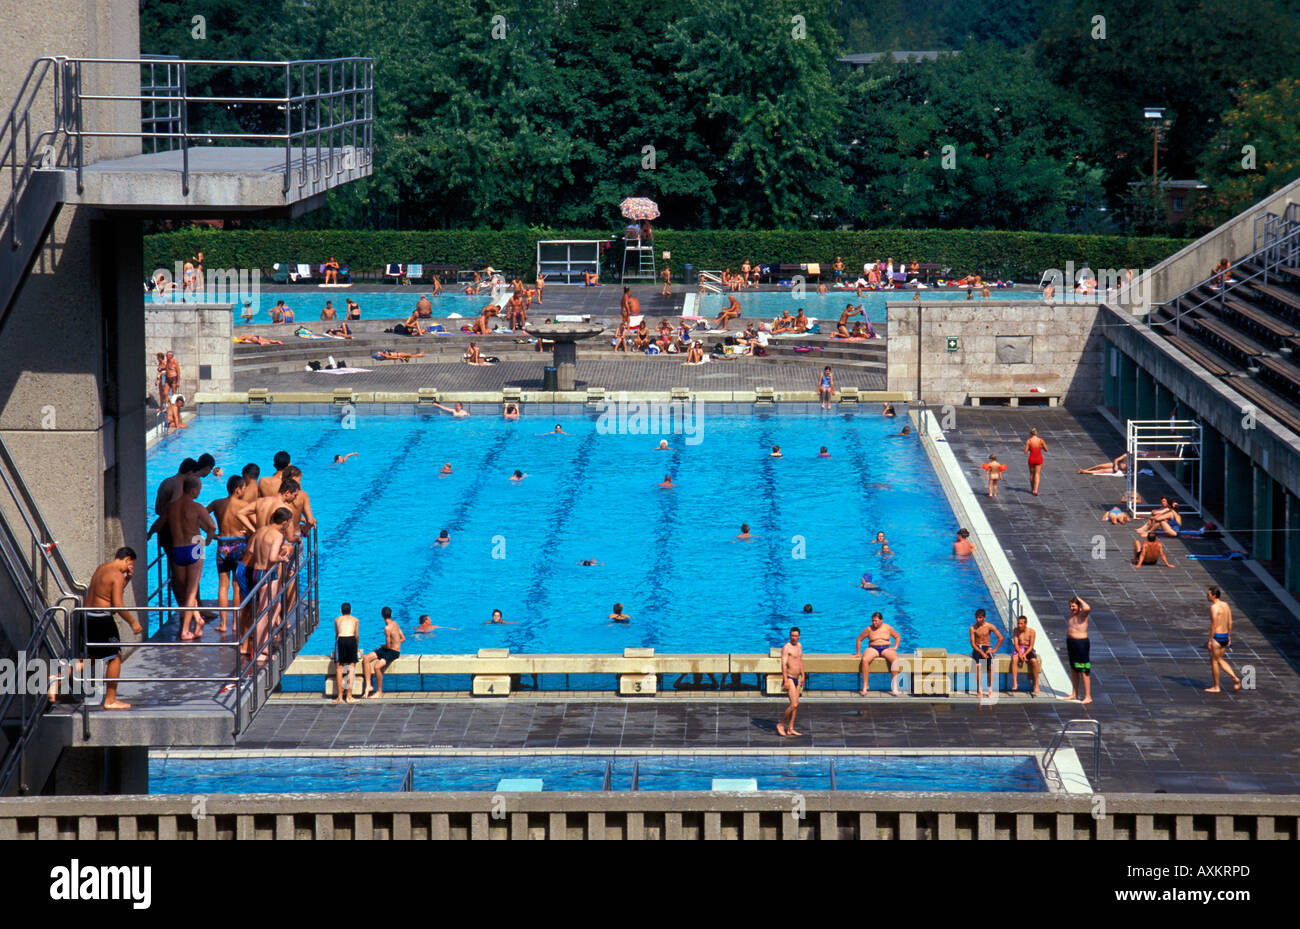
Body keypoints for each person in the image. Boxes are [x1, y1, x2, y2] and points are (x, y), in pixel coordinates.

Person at [47, 548, 141, 710]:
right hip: (101, 620)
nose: (129, 568)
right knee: (115, 657)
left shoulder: (102, 568)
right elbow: (117, 604)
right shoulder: (117, 575)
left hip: (86, 617)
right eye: (130, 565)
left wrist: (128, 579)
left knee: (93, 659)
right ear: (126, 559)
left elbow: (106, 594)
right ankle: (110, 700)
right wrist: (133, 622)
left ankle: (57, 677)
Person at [166, 475, 216, 640]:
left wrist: (150, 534)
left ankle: (196, 619)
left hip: (177, 548)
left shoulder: (172, 506)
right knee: (191, 591)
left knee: (183, 588)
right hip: (195, 546)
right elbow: (212, 526)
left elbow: (159, 523)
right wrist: (207, 541)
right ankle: (186, 630)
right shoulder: (196, 507)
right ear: (194, 490)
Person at [209, 474, 249, 632]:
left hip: (223, 545)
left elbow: (201, 516)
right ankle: (235, 624)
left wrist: (212, 533)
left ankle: (223, 624)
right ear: (237, 489)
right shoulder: (244, 505)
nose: (245, 491)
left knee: (223, 586)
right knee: (237, 585)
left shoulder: (217, 503)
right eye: (244, 488)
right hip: (240, 545)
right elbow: (256, 523)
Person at [361, 606, 405, 699]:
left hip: (393, 652)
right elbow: (403, 638)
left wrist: (383, 646)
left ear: (382, 616)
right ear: (391, 614)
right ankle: (368, 685)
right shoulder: (396, 623)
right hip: (389, 649)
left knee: (377, 667)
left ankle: (379, 692)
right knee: (366, 658)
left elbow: (388, 646)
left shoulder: (387, 628)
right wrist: (396, 643)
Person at [855, 611, 902, 696]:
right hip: (873, 648)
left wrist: (895, 646)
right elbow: (859, 639)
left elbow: (897, 636)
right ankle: (865, 686)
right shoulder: (869, 629)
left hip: (886, 648)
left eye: (876, 621)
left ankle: (895, 686)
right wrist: (858, 653)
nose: (874, 622)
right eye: (872, 620)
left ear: (881, 620)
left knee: (895, 659)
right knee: (865, 660)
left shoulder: (888, 628)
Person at [1205, 586, 1242, 693]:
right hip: (1225, 636)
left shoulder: (1214, 607)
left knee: (1214, 661)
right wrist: (1229, 635)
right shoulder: (1226, 605)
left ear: (1214, 595)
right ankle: (1234, 678)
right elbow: (1230, 622)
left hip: (1217, 637)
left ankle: (1217, 686)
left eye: (1209, 594)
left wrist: (1210, 640)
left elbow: (1213, 625)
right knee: (1220, 659)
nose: (1207, 596)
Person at [1063, 595, 1092, 704]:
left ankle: (1088, 696)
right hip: (1072, 643)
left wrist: (1079, 598)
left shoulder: (1082, 615)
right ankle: (1074, 693)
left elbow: (1088, 608)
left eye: (1073, 606)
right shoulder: (1073, 614)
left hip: (1081, 644)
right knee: (1074, 669)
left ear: (1079, 607)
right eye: (1070, 606)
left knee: (1083, 670)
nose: (1071, 608)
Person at [969, 608, 1003, 699]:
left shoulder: (989, 626)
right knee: (978, 666)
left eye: (980, 618)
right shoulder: (972, 628)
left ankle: (990, 688)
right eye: (976, 617)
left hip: (987, 647)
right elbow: (972, 643)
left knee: (991, 667)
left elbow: (1000, 638)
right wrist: (981, 653)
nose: (978, 620)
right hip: (977, 648)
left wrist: (994, 650)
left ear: (984, 617)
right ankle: (979, 689)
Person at [777, 628, 804, 737]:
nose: (793, 638)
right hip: (789, 678)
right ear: (789, 636)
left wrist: (803, 675)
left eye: (795, 636)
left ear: (799, 636)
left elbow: (799, 661)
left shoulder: (799, 646)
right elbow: (783, 665)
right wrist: (786, 680)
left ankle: (790, 728)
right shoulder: (786, 648)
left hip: (797, 678)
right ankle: (781, 724)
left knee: (796, 706)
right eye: (792, 635)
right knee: (794, 704)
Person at [331, 603, 359, 704]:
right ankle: (349, 696)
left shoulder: (337, 620)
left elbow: (337, 635)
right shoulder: (355, 620)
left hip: (341, 640)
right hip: (351, 640)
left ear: (341, 611)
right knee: (351, 668)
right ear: (351, 611)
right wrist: (356, 648)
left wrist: (336, 649)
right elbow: (356, 636)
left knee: (339, 668)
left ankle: (339, 697)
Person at [1009, 616, 1041, 695]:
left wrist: (1025, 654)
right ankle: (1015, 682)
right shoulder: (1016, 630)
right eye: (1018, 623)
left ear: (1025, 623)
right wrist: (1020, 653)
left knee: (1034, 661)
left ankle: (1036, 684)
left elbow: (1031, 646)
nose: (1019, 625)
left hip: (1028, 649)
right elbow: (1016, 644)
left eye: (1021, 624)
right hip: (1019, 648)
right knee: (1014, 659)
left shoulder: (1031, 632)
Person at [1024, 427, 1047, 496]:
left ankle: (1032, 489)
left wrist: (1029, 449)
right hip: (1039, 458)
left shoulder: (1029, 441)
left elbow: (1025, 451)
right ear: (1036, 434)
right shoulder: (1041, 440)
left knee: (1031, 474)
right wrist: (1041, 447)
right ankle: (1036, 490)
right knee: (1037, 474)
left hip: (1031, 458)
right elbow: (1046, 449)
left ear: (1031, 434)